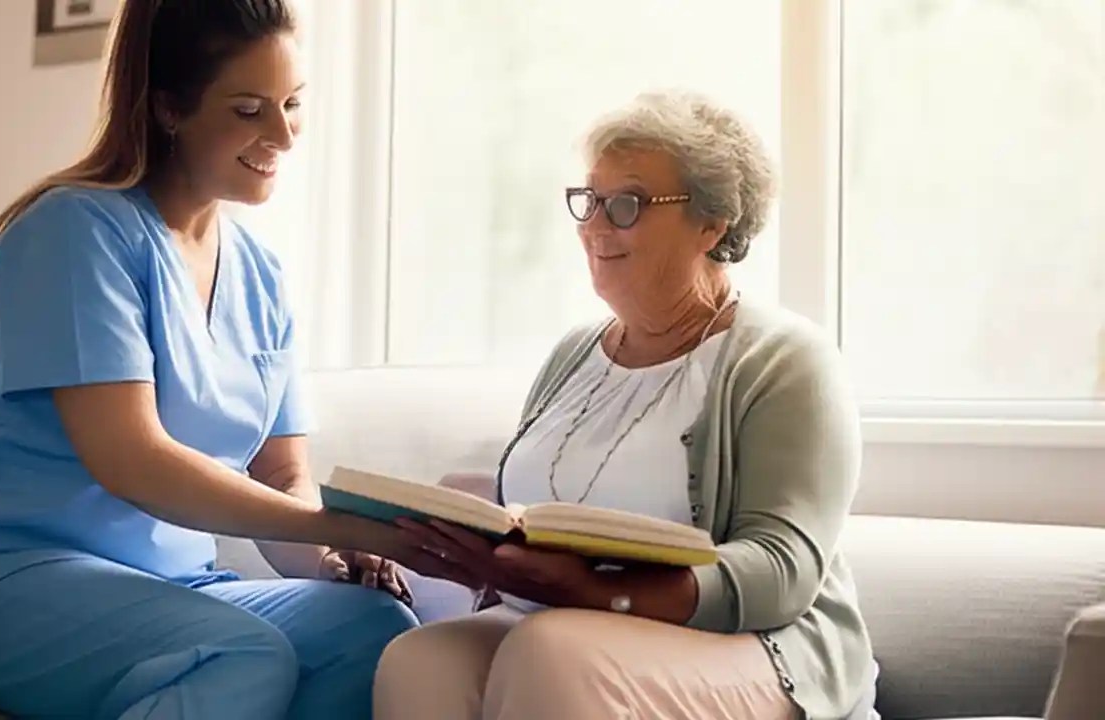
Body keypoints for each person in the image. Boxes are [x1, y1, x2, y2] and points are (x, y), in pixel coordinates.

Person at [0, 2, 428, 718]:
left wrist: (333, 562)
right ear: (170, 107)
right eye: (249, 109)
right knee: (240, 651)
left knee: (374, 633)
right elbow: (130, 458)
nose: (284, 134)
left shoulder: (260, 273)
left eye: (293, 104)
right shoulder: (74, 231)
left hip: (166, 587)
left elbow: (282, 471)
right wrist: (340, 527)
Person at [375, 89, 879, 720]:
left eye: (626, 204)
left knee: (550, 650)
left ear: (711, 222)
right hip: (570, 627)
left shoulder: (783, 360)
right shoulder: (573, 355)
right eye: (589, 201)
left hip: (754, 649)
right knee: (422, 660)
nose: (594, 226)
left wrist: (597, 590)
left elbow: (781, 569)